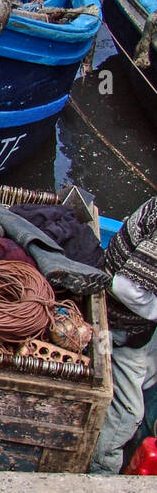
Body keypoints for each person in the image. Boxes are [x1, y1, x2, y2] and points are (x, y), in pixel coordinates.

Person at [89, 196, 157, 474]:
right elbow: (127, 288)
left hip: (143, 325)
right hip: (119, 324)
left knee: (148, 381)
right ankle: (99, 474)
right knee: (128, 414)